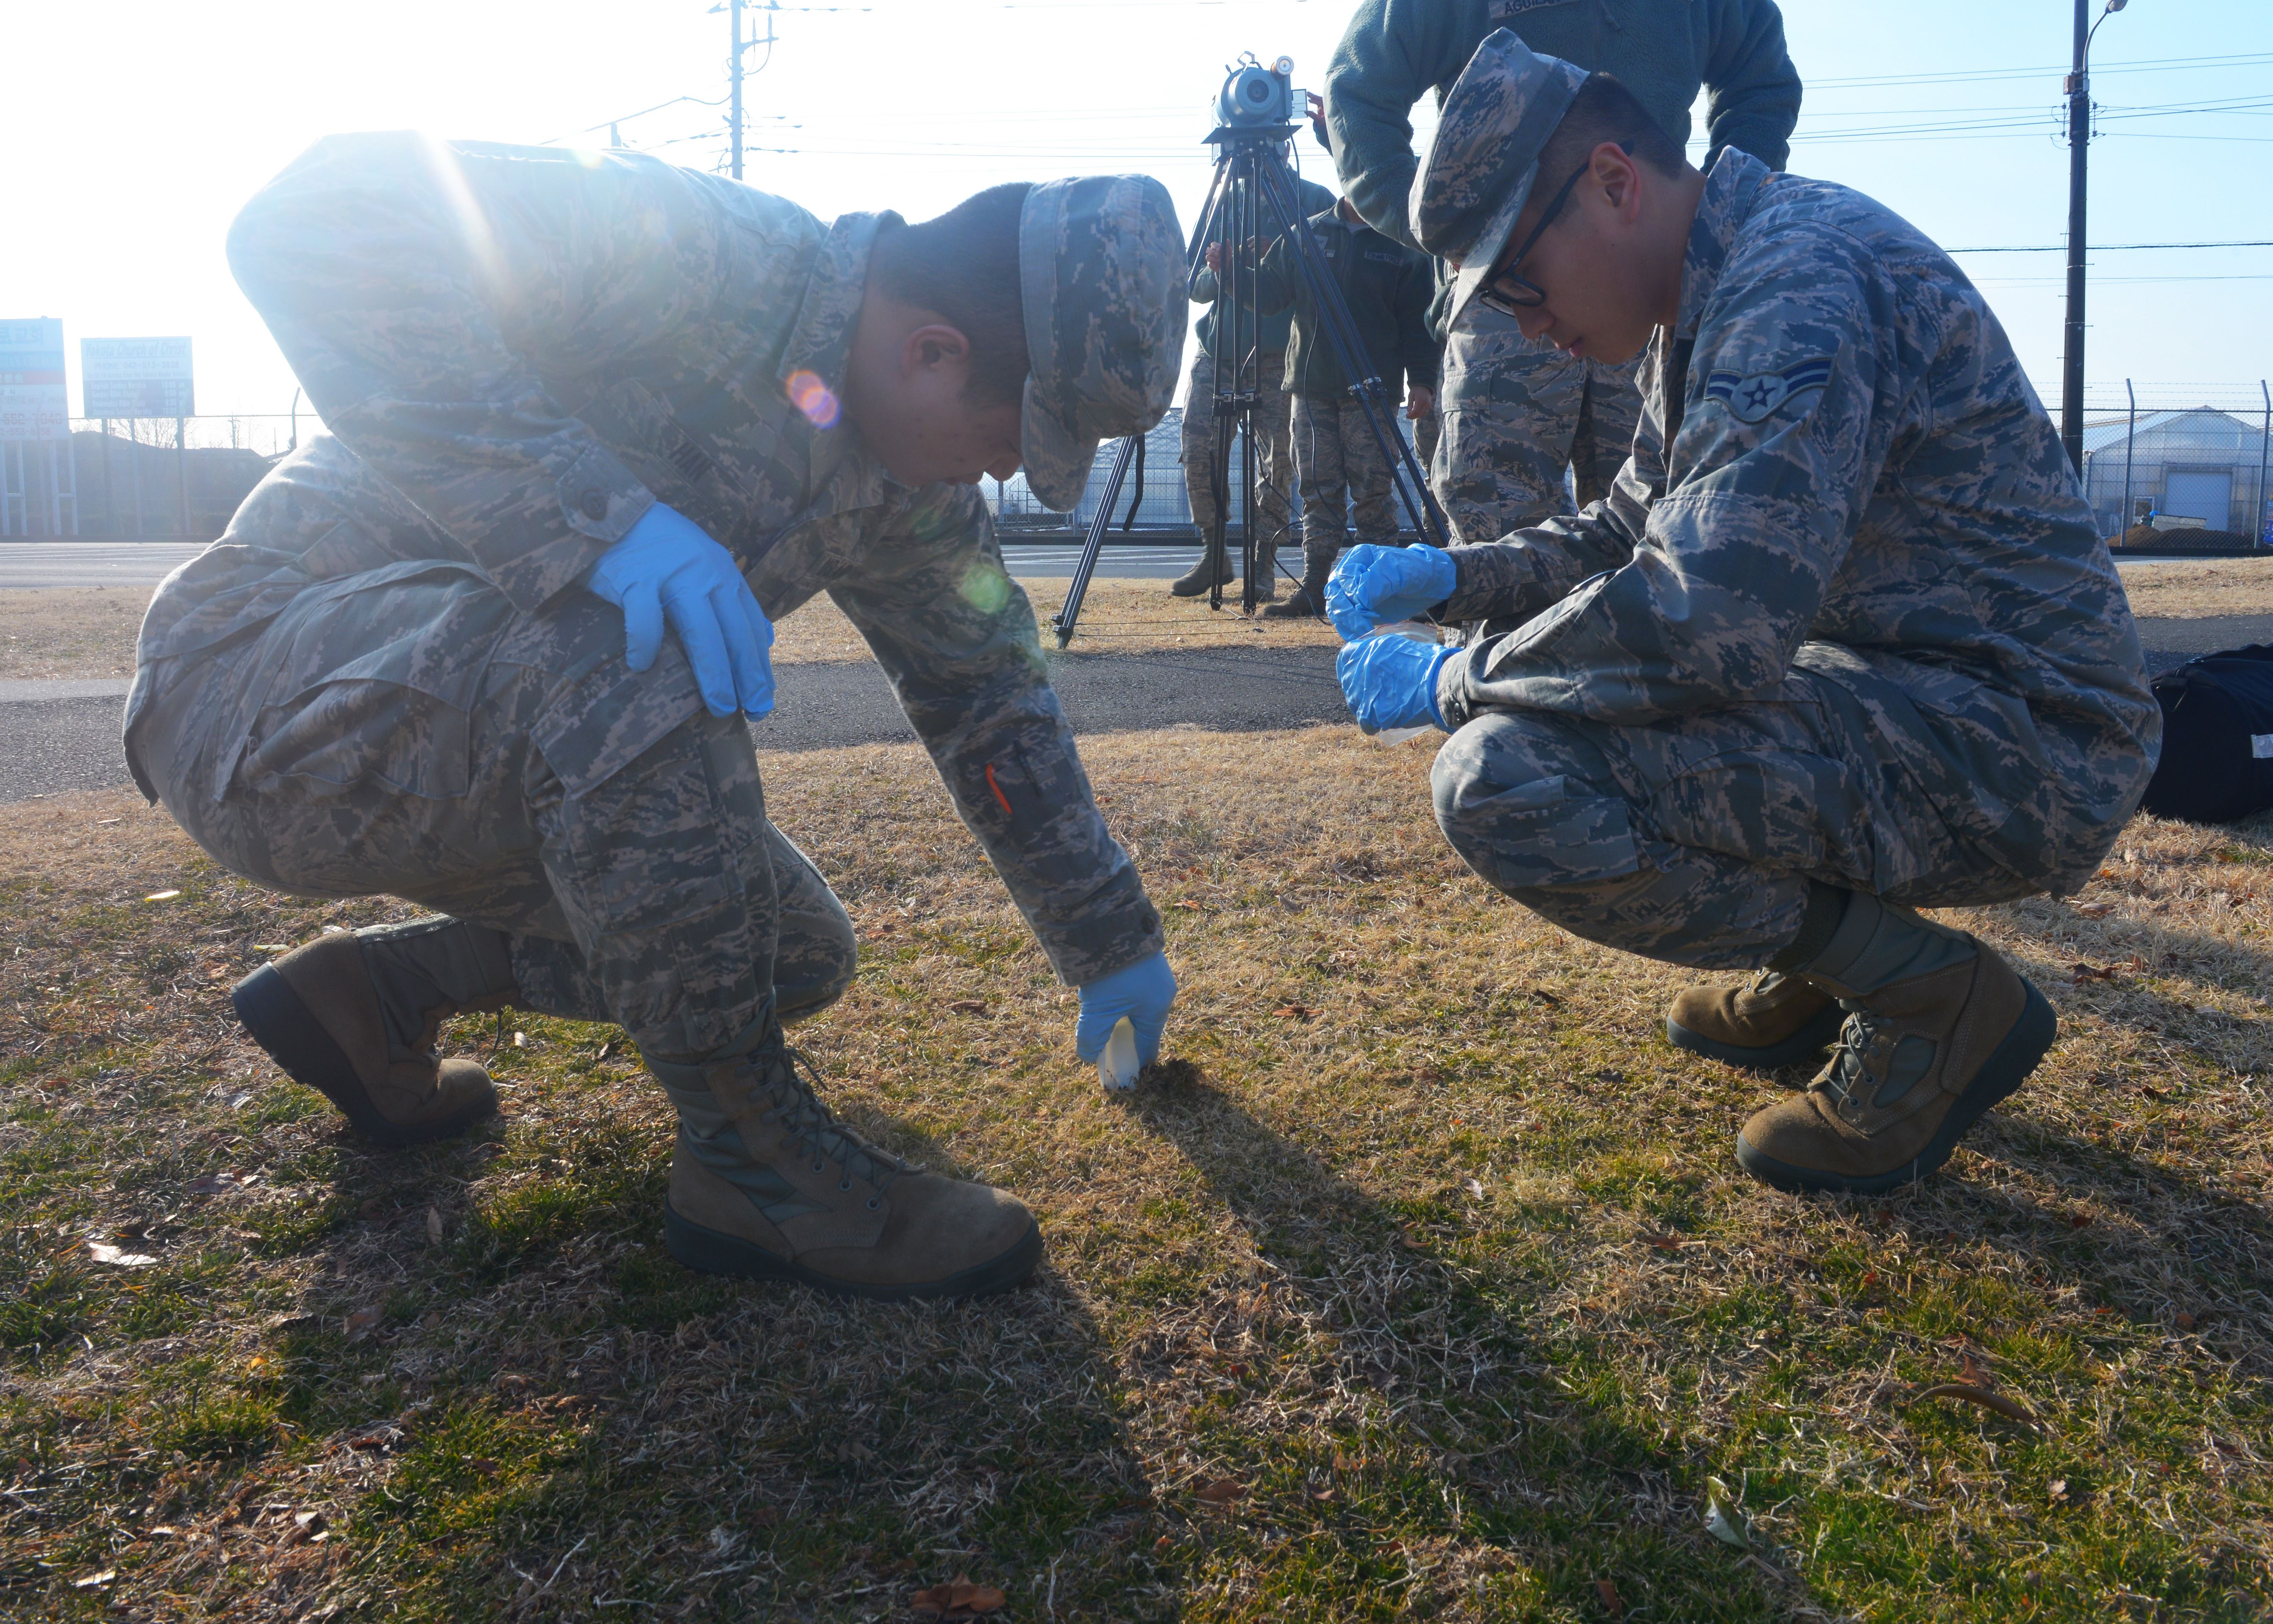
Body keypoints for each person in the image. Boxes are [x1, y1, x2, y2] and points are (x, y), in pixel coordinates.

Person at [125, 136, 1189, 1300]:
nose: (991, 477)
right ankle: (756, 1171)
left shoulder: (902, 486)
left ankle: (378, 996)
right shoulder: (700, 256)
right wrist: (598, 517)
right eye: (1003, 443)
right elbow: (316, 221)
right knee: (642, 636)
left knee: (782, 950)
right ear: (932, 353)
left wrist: (1108, 942)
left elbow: (985, 699)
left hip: (462, 725)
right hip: (250, 691)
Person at [1328, 35, 2159, 1195]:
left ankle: (1926, 994)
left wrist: (1450, 681)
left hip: (2028, 742)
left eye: (1515, 281)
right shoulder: (1716, 287)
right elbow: (1627, 532)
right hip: (1927, 698)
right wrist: (1453, 579)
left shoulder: (1793, 285)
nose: (1520, 325)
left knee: (1506, 777)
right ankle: (1832, 955)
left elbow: (1701, 617)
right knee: (1569, 729)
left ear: (1612, 182)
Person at [1322, 0, 1801, 545]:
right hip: (1507, 291)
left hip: (1651, 285)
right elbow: (1358, 91)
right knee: (1495, 521)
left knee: (1655, 527)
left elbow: (1762, 83)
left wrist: (1702, 225)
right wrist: (1451, 231)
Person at [1196, 197, 1434, 618]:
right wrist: (1230, 273)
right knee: (1317, 492)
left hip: (1372, 389)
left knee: (1373, 493)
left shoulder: (1400, 240)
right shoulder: (1304, 234)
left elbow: (1417, 318)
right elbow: (1270, 295)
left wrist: (1422, 380)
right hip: (1311, 387)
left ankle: (1383, 590)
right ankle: (1314, 587)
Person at [1173, 158, 1336, 600]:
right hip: (1218, 351)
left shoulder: (1315, 200)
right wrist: (1221, 267)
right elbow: (1195, 285)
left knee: (1278, 461)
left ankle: (1263, 563)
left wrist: (1278, 256)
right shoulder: (1225, 201)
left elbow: (1331, 276)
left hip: (1278, 355)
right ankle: (1214, 551)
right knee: (1197, 448)